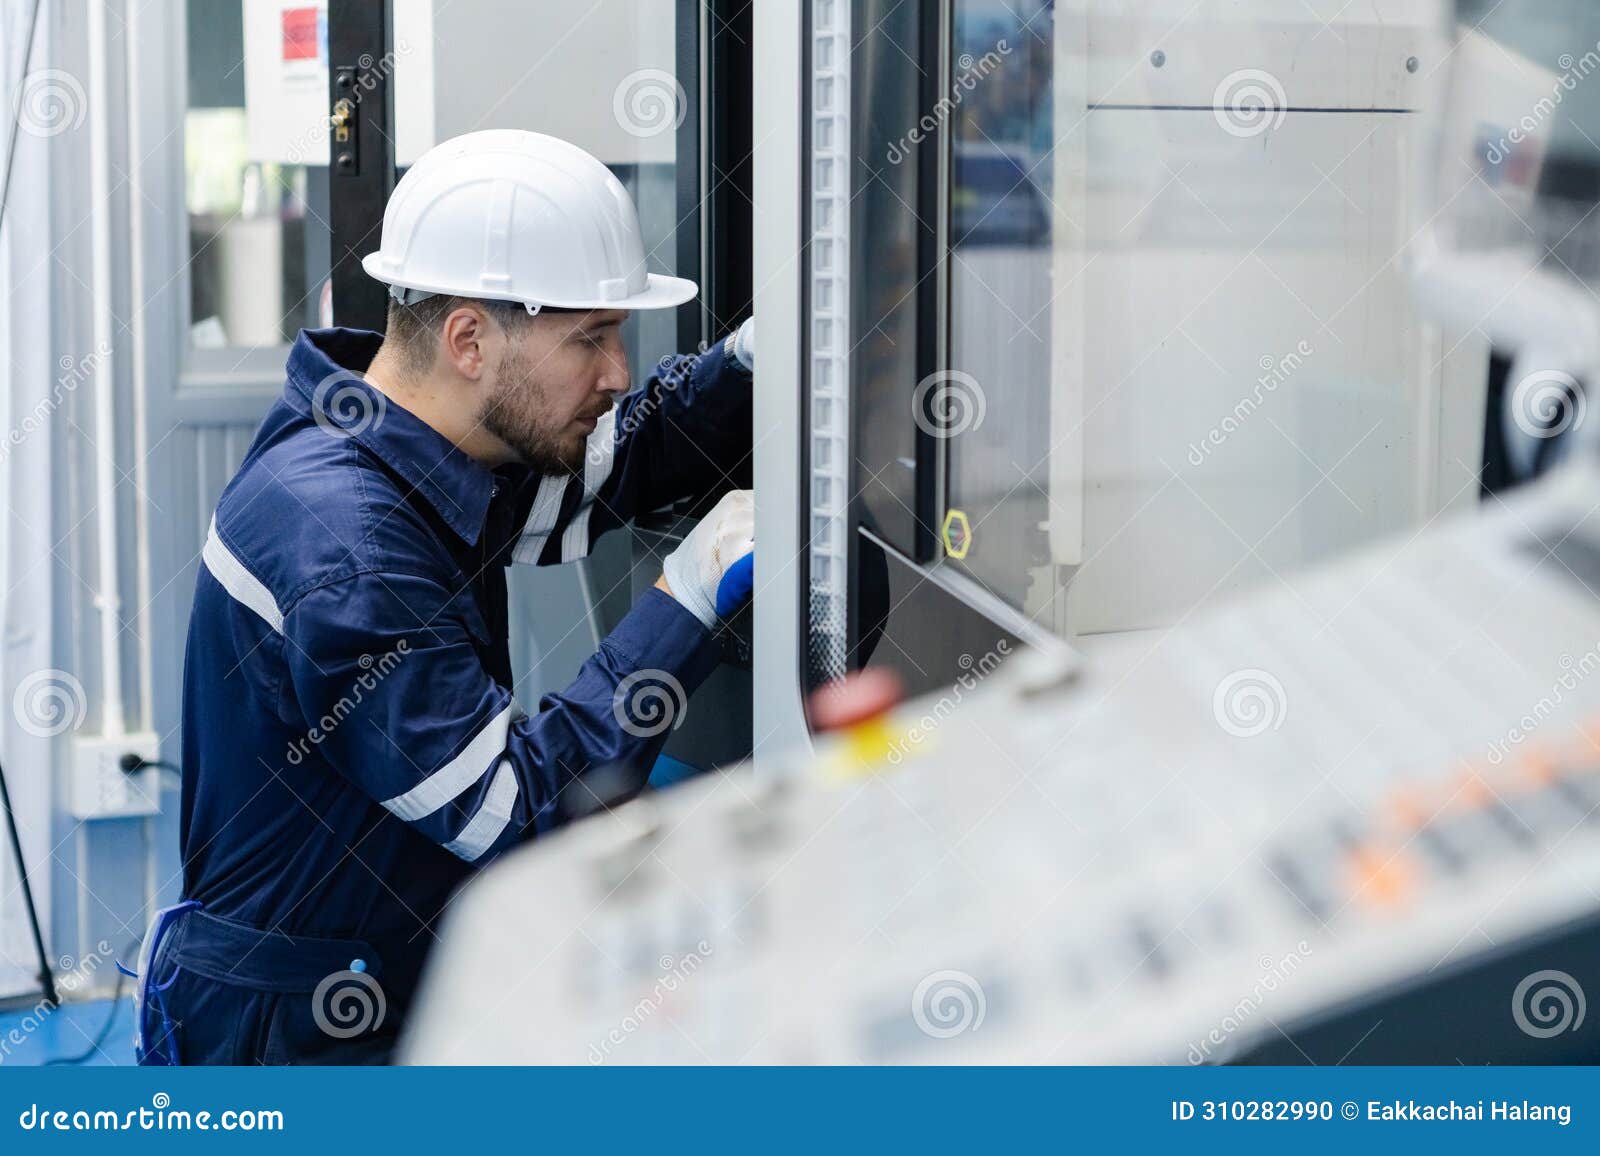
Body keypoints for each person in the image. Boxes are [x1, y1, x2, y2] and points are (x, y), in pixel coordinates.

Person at [136, 130, 756, 1065]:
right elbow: (519, 818)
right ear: (469, 338)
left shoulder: (396, 446)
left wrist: (753, 362)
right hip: (293, 1034)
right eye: (591, 338)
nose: (617, 372)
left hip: (361, 978)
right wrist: (688, 597)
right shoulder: (348, 541)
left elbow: (625, 460)